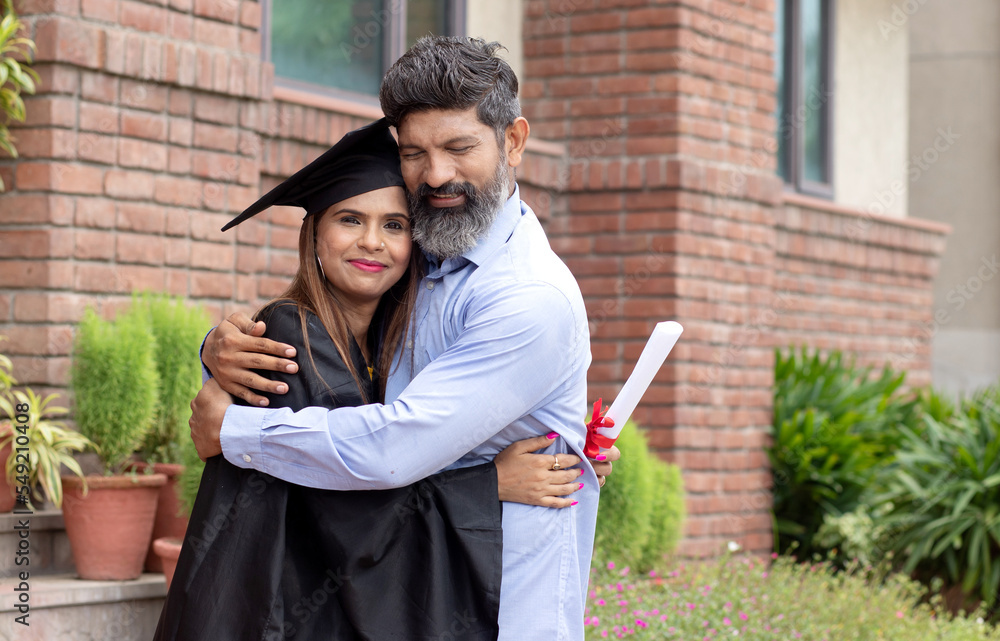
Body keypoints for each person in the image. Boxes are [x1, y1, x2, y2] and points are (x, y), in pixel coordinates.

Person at [191, 37, 620, 639]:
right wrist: (216, 347)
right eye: (414, 152)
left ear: (514, 142)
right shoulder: (426, 245)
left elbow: (394, 447)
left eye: (459, 147)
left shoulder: (528, 297)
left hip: (505, 605)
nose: (436, 173)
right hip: (399, 595)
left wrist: (230, 428)